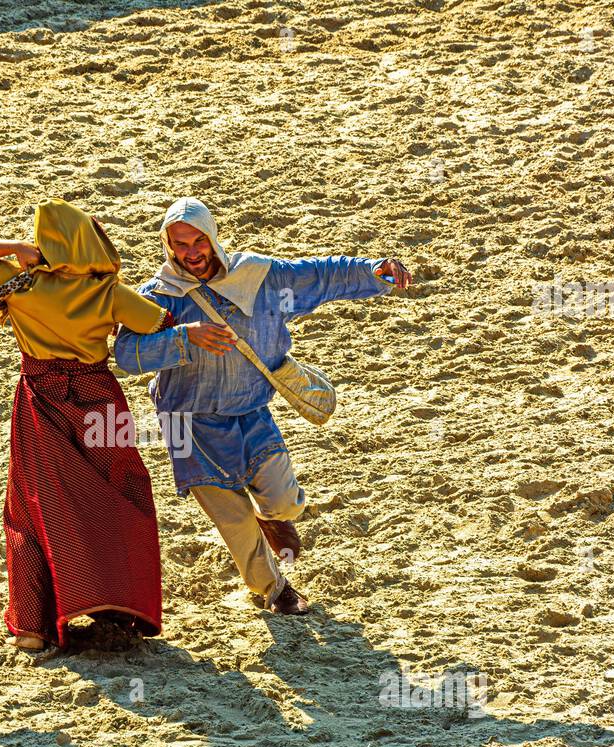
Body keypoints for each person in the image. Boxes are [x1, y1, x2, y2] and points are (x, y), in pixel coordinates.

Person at [115, 197, 411, 615]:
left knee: (285, 503)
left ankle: (272, 518)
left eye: (199, 241)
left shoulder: (258, 277)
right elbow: (128, 356)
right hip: (188, 422)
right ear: (168, 246)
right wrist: (183, 338)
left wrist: (371, 271)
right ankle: (274, 589)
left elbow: (319, 276)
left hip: (252, 411)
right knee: (233, 520)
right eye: (181, 245)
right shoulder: (157, 297)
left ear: (213, 238)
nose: (192, 253)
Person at [0, 199, 172, 651]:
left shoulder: (19, 284)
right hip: (98, 399)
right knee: (120, 493)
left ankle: (32, 625)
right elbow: (162, 323)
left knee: (33, 506)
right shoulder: (110, 294)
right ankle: (118, 603)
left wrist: (14, 248)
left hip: (40, 397)